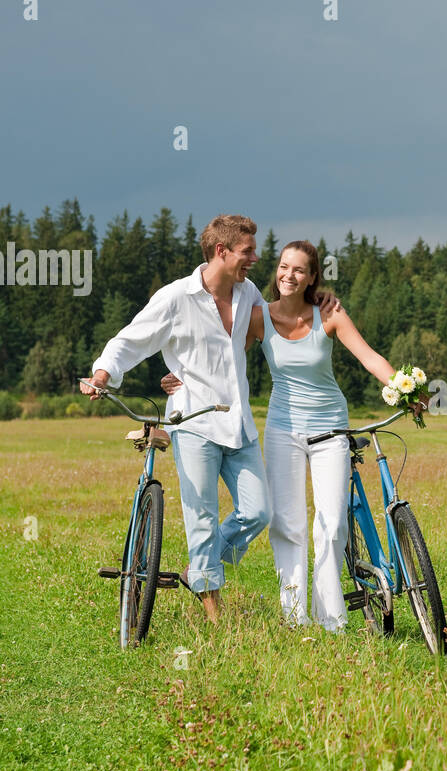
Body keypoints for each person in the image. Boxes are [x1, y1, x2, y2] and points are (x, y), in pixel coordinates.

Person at [81, 216, 340, 623]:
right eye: (247, 251)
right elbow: (130, 341)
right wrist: (102, 376)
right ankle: (214, 615)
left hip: (238, 422)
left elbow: (278, 322)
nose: (255, 258)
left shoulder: (248, 292)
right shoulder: (175, 298)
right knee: (200, 515)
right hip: (193, 421)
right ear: (222, 251)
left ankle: (197, 570)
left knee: (259, 513)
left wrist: (319, 301)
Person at [162, 240, 400, 632]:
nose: (289, 276)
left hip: (330, 427)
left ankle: (332, 619)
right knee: (287, 524)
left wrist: (405, 387)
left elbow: (370, 356)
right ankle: (294, 618)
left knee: (332, 523)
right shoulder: (259, 317)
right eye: (284, 267)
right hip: (283, 429)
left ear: (312, 278)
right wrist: (181, 376)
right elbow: (218, 356)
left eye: (300, 270)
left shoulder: (330, 314)